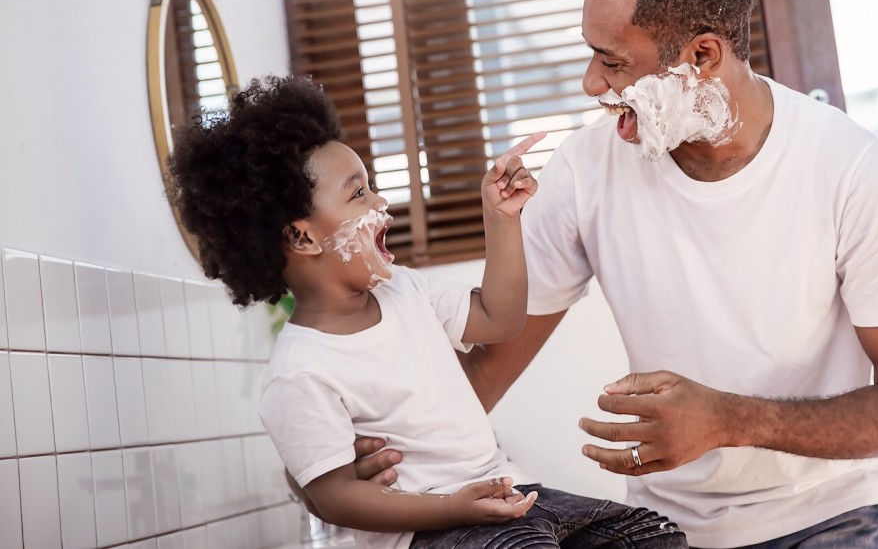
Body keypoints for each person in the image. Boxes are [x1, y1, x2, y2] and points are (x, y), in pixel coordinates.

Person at [345, 0, 878, 548]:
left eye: (613, 63)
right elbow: (487, 367)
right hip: (661, 529)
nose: (590, 84)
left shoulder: (857, 175)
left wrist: (728, 421)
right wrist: (370, 463)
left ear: (702, 57)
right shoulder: (586, 172)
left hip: (826, 518)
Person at [168, 75, 688, 549]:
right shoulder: (299, 371)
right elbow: (332, 498)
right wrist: (449, 508)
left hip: (507, 491)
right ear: (302, 236)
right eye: (358, 194)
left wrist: (502, 219)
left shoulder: (406, 291)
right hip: (426, 529)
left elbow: (501, 319)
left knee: (650, 537)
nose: (380, 203)